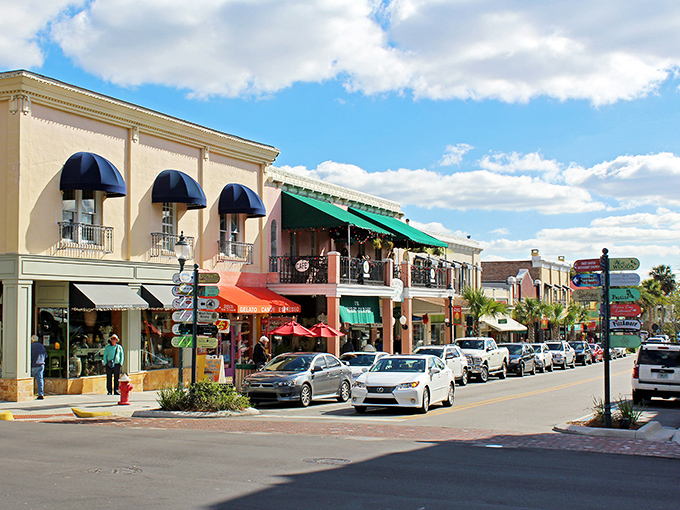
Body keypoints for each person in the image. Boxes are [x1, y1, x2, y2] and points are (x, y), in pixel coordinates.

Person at [30, 335, 47, 400]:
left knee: (30, 379)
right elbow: (45, 355)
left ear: (32, 340)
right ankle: (41, 394)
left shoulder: (31, 346)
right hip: (41, 364)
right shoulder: (41, 346)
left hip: (33, 365)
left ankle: (30, 394)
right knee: (40, 379)